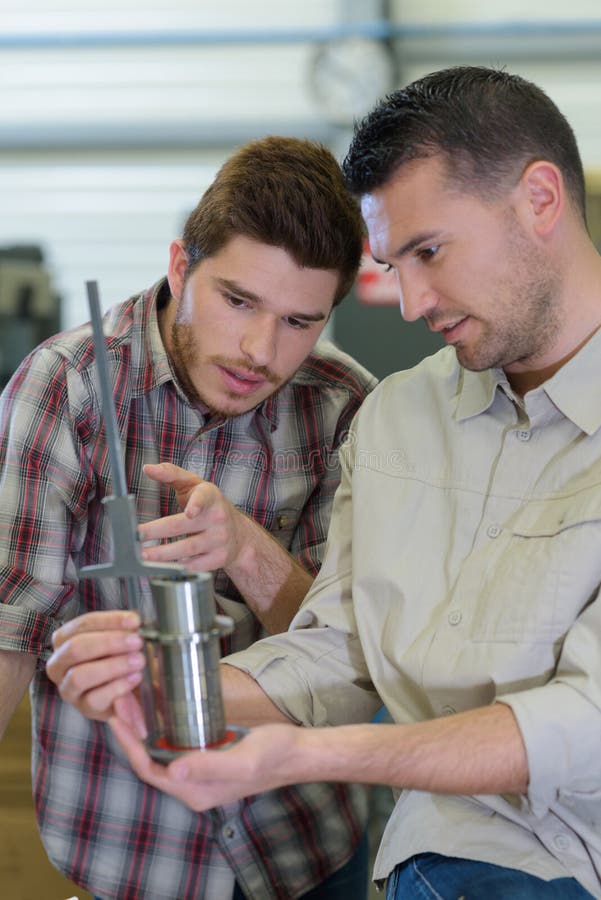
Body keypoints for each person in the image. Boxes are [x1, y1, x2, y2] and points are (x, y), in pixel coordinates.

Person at [47, 65, 601, 900]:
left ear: (538, 199)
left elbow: (584, 727)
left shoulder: (347, 404)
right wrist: (154, 683)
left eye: (427, 252)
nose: (410, 303)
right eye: (391, 263)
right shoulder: (396, 421)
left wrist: (310, 755)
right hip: (417, 868)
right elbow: (337, 651)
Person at [0, 136, 378, 900]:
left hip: (304, 846)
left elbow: (351, 654)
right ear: (180, 266)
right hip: (130, 848)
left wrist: (246, 547)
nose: (260, 352)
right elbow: (9, 628)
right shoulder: (67, 387)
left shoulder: (345, 406)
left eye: (299, 321)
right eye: (238, 300)